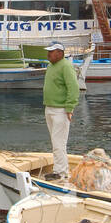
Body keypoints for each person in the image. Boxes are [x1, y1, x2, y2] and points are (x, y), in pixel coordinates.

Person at [42, 41, 79, 180]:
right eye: (48, 51)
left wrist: (70, 108)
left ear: (60, 53)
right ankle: (59, 169)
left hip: (61, 110)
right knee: (55, 141)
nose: (48, 54)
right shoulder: (50, 66)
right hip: (50, 108)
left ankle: (61, 173)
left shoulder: (66, 66)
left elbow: (73, 88)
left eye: (51, 52)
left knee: (59, 143)